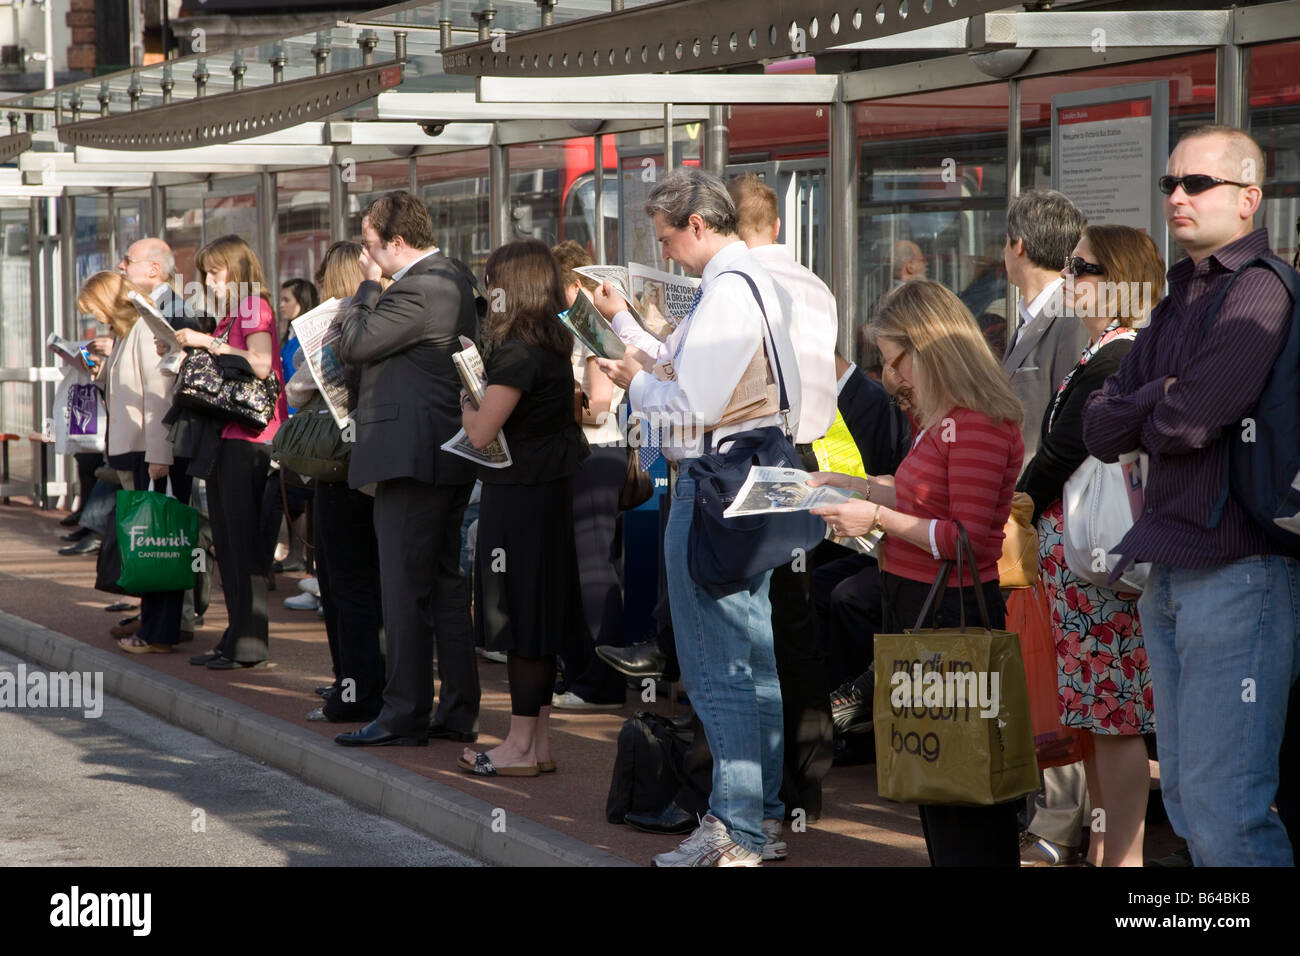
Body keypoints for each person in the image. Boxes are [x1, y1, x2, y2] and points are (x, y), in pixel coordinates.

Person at [1084, 125, 1300, 866]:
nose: (1177, 197)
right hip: (1170, 565)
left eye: (1196, 184)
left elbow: (1192, 417)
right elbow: (1100, 425)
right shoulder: (1180, 293)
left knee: (1223, 810)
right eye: (1169, 185)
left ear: (1248, 198)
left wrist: (1154, 403)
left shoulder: (1260, 288)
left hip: (1237, 566)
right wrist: (1157, 394)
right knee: (1183, 797)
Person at [595, 167, 803, 866]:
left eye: (668, 240)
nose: (667, 256)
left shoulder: (726, 294)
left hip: (711, 483)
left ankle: (735, 828)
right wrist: (625, 323)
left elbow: (688, 408)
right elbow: (695, 373)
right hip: (751, 481)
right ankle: (763, 818)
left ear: (700, 226)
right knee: (753, 658)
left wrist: (636, 383)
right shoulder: (753, 285)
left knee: (719, 666)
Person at [809, 279, 1025, 866]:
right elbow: (920, 496)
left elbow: (966, 538)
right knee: (941, 774)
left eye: (895, 361)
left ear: (930, 347)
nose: (890, 377)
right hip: (925, 604)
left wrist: (874, 514)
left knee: (959, 779)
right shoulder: (945, 418)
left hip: (949, 612)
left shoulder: (973, 421)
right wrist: (850, 486)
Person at [1017, 224, 1166, 866]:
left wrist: (1020, 500)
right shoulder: (1103, 349)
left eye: (1084, 268)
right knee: (1098, 718)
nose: (1070, 278)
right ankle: (1106, 850)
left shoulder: (1121, 351)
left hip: (1098, 566)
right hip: (1081, 563)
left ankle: (1123, 860)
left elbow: (1065, 447)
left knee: (1113, 716)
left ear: (1122, 279)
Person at [334, 191, 481, 748]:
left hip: (412, 456)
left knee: (403, 588)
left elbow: (355, 342)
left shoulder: (424, 284)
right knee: (443, 584)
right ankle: (457, 708)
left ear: (396, 243)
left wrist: (367, 287)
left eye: (369, 246)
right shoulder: (450, 276)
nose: (364, 256)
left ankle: (403, 714)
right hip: (435, 453)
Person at [729, 172, 839, 818]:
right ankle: (807, 772)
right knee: (794, 620)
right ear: (775, 227)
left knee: (751, 622)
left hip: (758, 454)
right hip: (807, 457)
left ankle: (765, 786)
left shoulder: (739, 287)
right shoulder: (814, 284)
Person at [457, 238, 588, 775]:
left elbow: (482, 430)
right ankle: (538, 746)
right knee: (542, 612)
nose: (489, 293)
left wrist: (467, 395)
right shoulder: (554, 344)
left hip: (517, 496)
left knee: (518, 616)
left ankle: (515, 745)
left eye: (493, 282)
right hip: (548, 492)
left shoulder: (514, 353)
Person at [1001, 187, 1091, 867]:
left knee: (1057, 668)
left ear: (1018, 246)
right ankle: (1046, 805)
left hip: (1050, 520)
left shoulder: (1066, 320)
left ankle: (1061, 818)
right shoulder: (1031, 316)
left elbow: (1068, 428)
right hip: (1026, 519)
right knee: (1037, 665)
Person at [280, 242, 386, 723]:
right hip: (376, 463)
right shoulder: (386, 313)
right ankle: (367, 685)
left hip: (338, 464)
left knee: (343, 584)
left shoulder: (333, 319)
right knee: (370, 582)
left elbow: (298, 388)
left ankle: (354, 690)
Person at [179, 235, 287, 670]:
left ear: (237, 271)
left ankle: (250, 642)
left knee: (242, 544)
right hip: (228, 437)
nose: (208, 280)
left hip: (250, 439)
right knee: (227, 541)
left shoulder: (253, 306)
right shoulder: (232, 314)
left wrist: (207, 344)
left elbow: (260, 363)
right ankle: (235, 634)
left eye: (215, 272)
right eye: (205, 273)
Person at [75, 271, 186, 652]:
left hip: (146, 450)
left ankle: (160, 630)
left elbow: (158, 395)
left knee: (156, 541)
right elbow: (128, 384)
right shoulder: (128, 332)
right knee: (146, 543)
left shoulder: (142, 329)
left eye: (97, 309)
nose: (98, 319)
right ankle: (153, 623)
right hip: (133, 448)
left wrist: (159, 454)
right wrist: (101, 369)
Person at [549, 240, 628, 711]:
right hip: (590, 456)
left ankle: (602, 682)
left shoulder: (592, 327)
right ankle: (583, 673)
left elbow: (598, 408)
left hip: (597, 455)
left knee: (595, 571)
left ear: (576, 286)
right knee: (584, 569)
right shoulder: (584, 326)